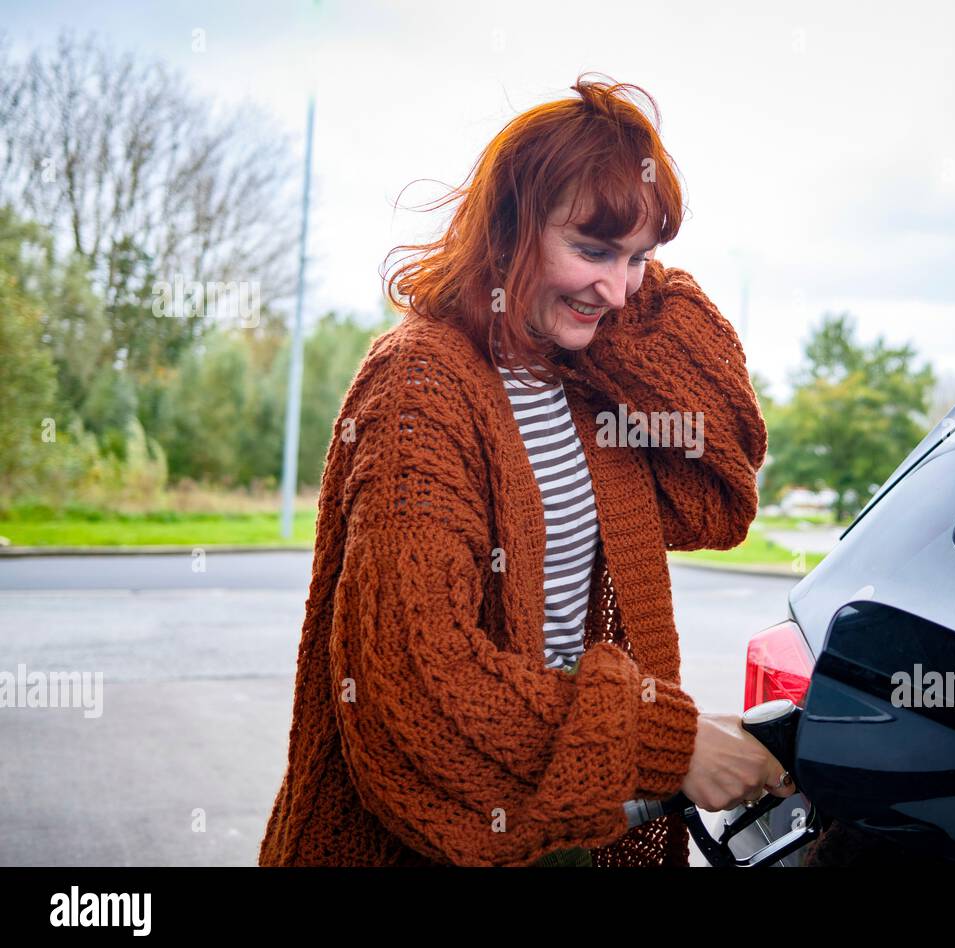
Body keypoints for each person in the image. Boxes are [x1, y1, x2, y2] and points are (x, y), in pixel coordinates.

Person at [257, 73, 795, 869]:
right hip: (427, 836)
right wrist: (672, 749)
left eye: (640, 258)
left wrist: (613, 305)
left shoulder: (587, 381)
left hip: (567, 810)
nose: (618, 288)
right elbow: (417, 689)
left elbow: (718, 493)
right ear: (507, 227)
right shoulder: (422, 383)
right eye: (591, 248)